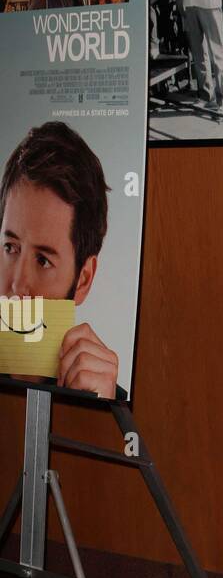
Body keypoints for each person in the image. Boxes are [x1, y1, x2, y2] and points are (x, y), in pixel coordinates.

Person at [0, 123, 126, 400]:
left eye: (43, 260)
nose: (18, 285)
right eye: (10, 247)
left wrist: (98, 415)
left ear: (83, 280)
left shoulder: (105, 400)